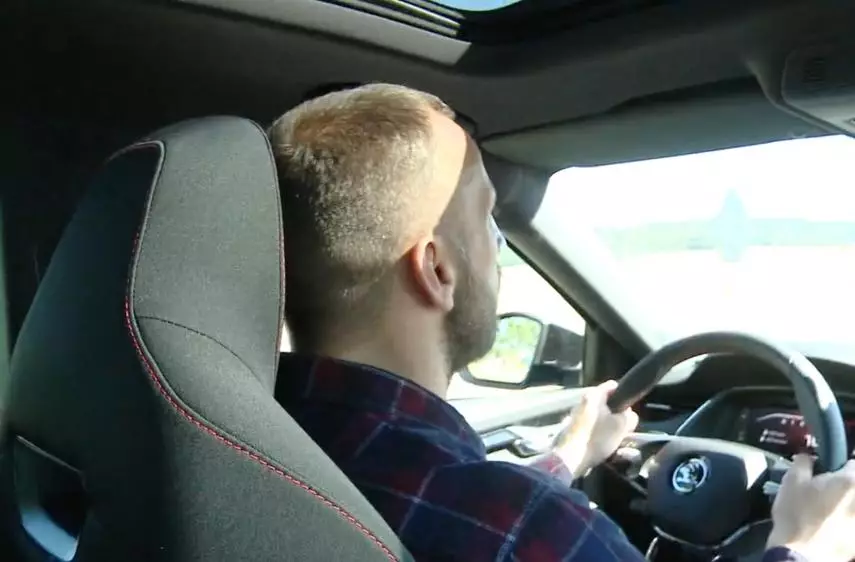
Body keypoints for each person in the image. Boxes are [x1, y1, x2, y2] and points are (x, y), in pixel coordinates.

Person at [268, 83, 855, 562]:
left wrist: (566, 457)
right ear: (438, 269)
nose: (498, 246)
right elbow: (494, 524)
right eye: (487, 218)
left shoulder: (259, 436)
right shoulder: (530, 532)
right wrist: (804, 547)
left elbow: (450, 503)